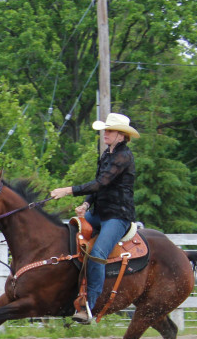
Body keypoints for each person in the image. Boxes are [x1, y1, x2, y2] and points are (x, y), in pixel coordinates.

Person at [50, 112, 140, 323]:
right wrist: (86, 204)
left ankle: (89, 306)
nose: (105, 133)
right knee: (69, 236)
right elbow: (99, 185)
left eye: (109, 130)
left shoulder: (123, 156)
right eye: (105, 130)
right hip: (99, 213)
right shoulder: (107, 155)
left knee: (98, 252)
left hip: (118, 216)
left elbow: (101, 183)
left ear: (121, 135)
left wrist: (68, 190)